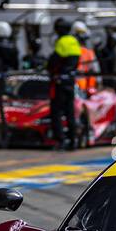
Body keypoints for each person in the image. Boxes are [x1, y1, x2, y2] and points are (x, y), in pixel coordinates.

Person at [47, 18, 81, 150]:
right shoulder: (74, 41)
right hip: (70, 81)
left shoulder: (61, 42)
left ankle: (60, 140)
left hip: (60, 82)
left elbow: (54, 60)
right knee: (70, 112)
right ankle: (73, 141)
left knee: (56, 111)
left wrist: (48, 67)